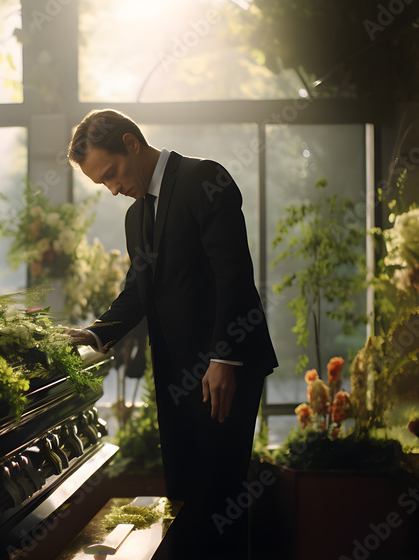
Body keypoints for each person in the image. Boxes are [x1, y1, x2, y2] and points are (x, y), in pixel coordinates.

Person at [66, 109, 278, 560]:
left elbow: (234, 275)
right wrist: (93, 335)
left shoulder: (205, 178)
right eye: (101, 184)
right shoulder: (134, 217)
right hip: (176, 375)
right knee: (184, 497)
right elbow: (138, 293)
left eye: (113, 174)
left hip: (227, 371)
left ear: (132, 144)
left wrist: (224, 359)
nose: (113, 189)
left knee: (222, 499)